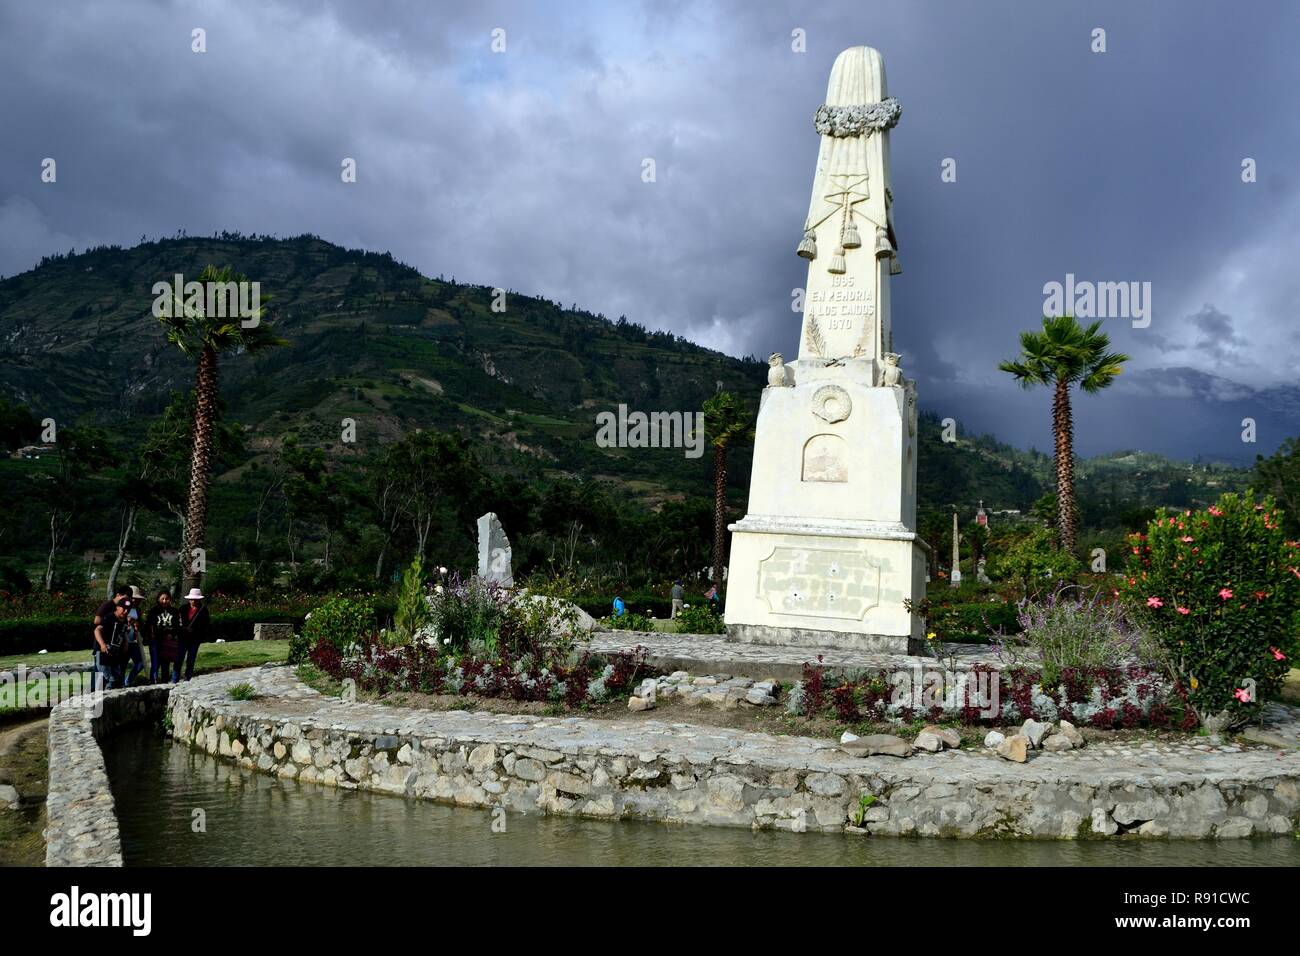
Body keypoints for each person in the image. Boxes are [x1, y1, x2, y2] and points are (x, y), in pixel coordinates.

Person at [93, 599, 132, 690]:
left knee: (116, 675)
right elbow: (97, 630)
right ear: (117, 607)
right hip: (104, 650)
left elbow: (124, 632)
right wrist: (102, 644)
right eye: (124, 608)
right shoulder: (109, 617)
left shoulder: (124, 620)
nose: (126, 611)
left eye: (128, 609)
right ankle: (104, 697)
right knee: (109, 677)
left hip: (115, 652)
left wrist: (126, 642)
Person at [174, 587, 210, 682]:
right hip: (182, 638)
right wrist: (183, 629)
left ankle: (187, 679)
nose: (193, 601)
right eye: (192, 599)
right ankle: (174, 679)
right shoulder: (182, 609)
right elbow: (177, 623)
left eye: (195, 599)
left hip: (194, 640)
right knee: (178, 659)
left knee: (191, 660)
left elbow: (205, 626)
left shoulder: (203, 611)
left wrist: (194, 631)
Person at [144, 590, 180, 683]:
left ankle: (165, 682)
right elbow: (148, 625)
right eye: (162, 599)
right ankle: (153, 682)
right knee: (155, 662)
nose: (164, 601)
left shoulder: (174, 611)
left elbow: (177, 626)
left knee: (166, 662)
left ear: (170, 599)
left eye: (167, 599)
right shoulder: (153, 611)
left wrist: (171, 634)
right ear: (158, 599)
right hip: (156, 640)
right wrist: (150, 637)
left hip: (168, 641)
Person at [122, 585, 146, 686]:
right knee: (122, 665)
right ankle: (120, 684)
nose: (137, 601)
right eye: (135, 599)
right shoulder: (123, 608)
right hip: (124, 641)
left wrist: (137, 625)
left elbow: (140, 625)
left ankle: (127, 681)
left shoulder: (138, 610)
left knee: (140, 663)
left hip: (133, 641)